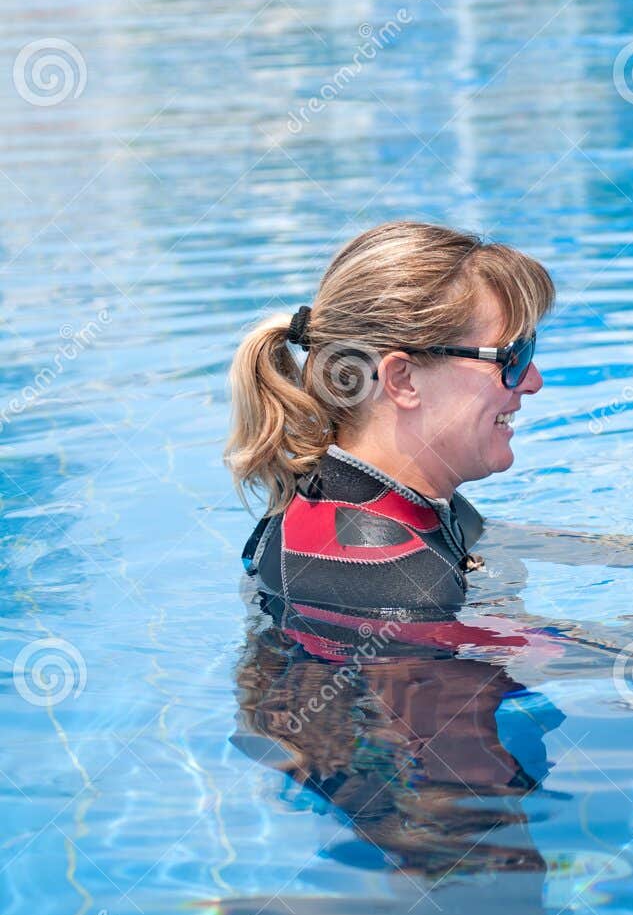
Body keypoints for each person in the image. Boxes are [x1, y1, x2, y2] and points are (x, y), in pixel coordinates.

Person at [226, 221, 552, 621]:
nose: (534, 381)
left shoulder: (362, 494)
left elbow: (508, 544)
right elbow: (522, 665)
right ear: (403, 379)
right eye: (512, 358)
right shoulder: (388, 579)